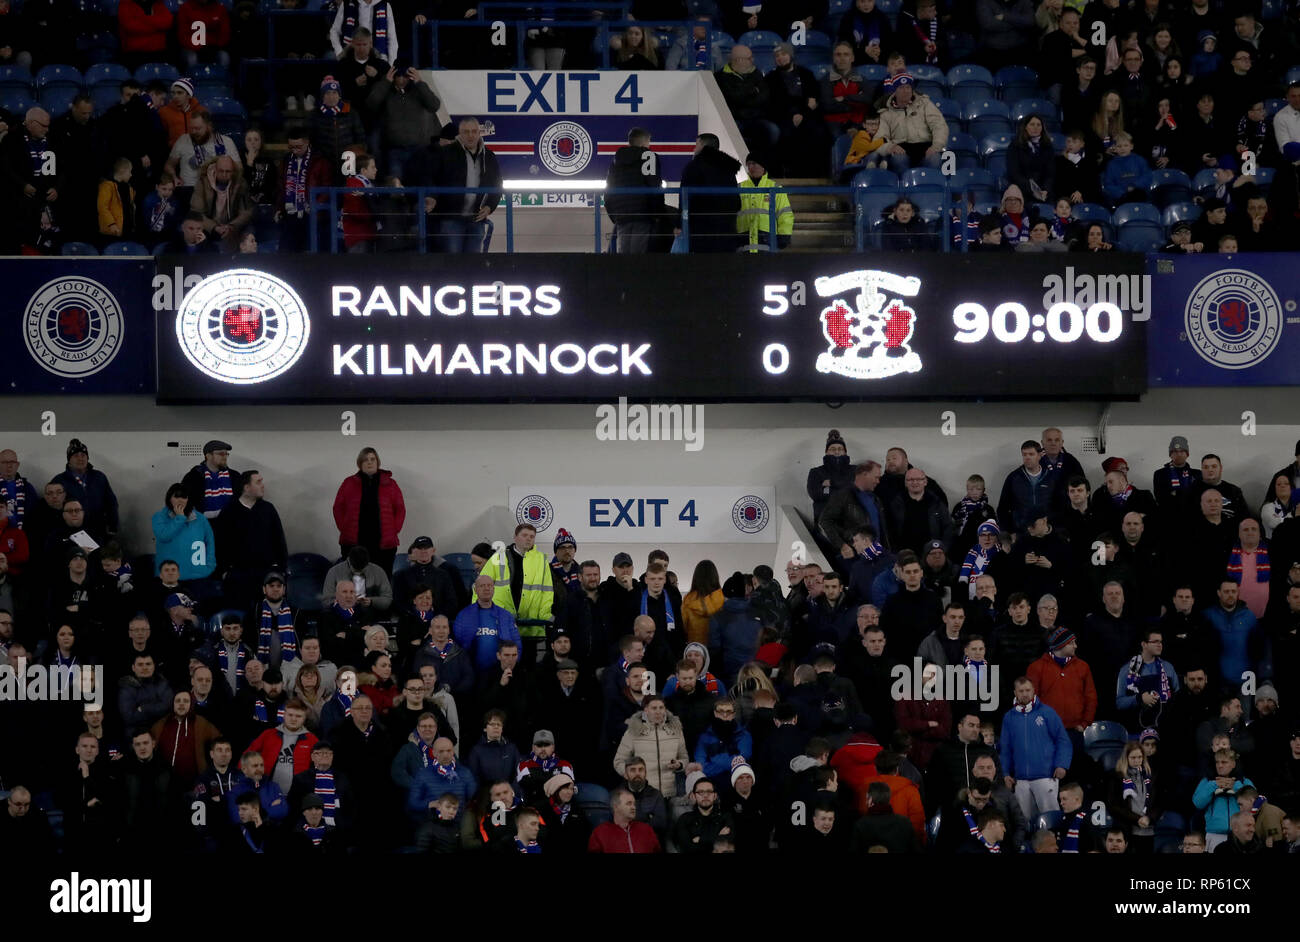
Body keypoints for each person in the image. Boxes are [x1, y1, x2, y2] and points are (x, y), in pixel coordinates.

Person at [1000, 676, 1072, 823]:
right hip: (1020, 781)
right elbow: (1005, 748)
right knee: (1024, 822)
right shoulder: (1009, 717)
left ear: (1034, 691)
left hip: (1046, 777)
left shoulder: (1047, 712)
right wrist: (1006, 773)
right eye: (1021, 691)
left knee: (1051, 821)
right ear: (1015, 693)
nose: (1025, 694)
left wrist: (1062, 764)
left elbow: (1062, 740)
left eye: (1028, 690)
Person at [332, 446, 405, 575]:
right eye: (365, 460)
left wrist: (394, 530)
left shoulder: (391, 484)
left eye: (372, 459)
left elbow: (400, 509)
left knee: (382, 581)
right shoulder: (349, 483)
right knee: (354, 583)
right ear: (360, 463)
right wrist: (345, 528)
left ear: (378, 462)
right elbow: (338, 508)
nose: (369, 462)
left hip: (383, 545)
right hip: (354, 544)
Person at [614, 694, 692, 799]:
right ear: (646, 710)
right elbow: (619, 761)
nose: (658, 711)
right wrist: (632, 776)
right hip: (643, 793)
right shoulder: (633, 731)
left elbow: (684, 758)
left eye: (661, 707)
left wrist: (680, 764)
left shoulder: (676, 730)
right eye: (654, 708)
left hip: (670, 794)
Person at [605, 127, 668, 253]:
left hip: (621, 213)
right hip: (643, 211)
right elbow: (654, 186)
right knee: (638, 254)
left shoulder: (617, 159)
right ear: (644, 141)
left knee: (624, 252)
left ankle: (625, 272)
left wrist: (614, 214)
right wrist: (658, 213)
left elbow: (609, 188)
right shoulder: (648, 156)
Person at [737, 153, 793, 250]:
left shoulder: (775, 188)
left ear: (763, 166)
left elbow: (785, 213)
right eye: (748, 164)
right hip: (744, 239)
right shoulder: (739, 187)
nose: (750, 167)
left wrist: (784, 236)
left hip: (767, 240)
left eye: (754, 163)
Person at [669, 773, 734, 853]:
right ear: (694, 796)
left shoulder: (726, 817)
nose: (705, 795)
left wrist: (701, 839)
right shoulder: (684, 819)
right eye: (700, 792)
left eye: (709, 792)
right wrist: (718, 837)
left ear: (715, 796)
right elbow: (688, 848)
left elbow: (729, 844)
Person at [588, 787, 662, 852]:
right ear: (616, 807)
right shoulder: (600, 833)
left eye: (634, 804)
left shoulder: (646, 830)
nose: (634, 807)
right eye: (629, 803)